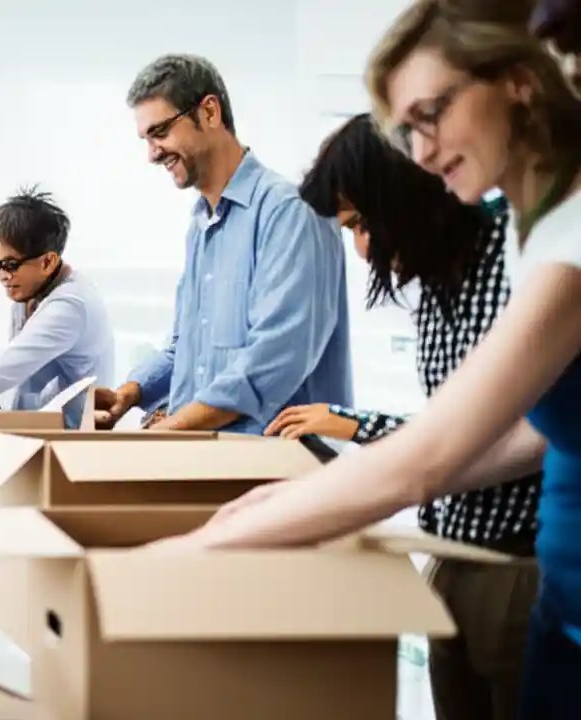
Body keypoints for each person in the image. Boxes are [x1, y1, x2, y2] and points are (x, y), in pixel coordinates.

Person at [146, 2, 581, 716]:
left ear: (519, 82)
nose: (421, 149)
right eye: (405, 129)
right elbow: (470, 438)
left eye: (430, 113)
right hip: (551, 595)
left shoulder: (558, 235)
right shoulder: (536, 230)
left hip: (541, 575)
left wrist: (207, 546)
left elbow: (433, 454)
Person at [267, 113, 540, 720]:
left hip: (519, 564)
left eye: (362, 223)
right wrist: (355, 424)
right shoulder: (438, 287)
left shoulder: (519, 259)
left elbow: (506, 437)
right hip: (452, 553)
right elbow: (448, 436)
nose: (362, 249)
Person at [93, 54, 352, 434]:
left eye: (160, 132)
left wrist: (176, 425)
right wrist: (130, 393)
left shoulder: (290, 213)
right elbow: (187, 348)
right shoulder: (201, 226)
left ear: (209, 112)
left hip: (277, 473)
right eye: (146, 139)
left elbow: (275, 359)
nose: (152, 154)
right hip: (210, 464)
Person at [0, 188, 114, 428]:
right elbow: (18, 377)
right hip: (38, 430)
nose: (2, 276)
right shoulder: (28, 293)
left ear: (48, 262)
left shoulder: (71, 305)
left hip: (74, 438)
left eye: (11, 265)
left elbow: (9, 364)